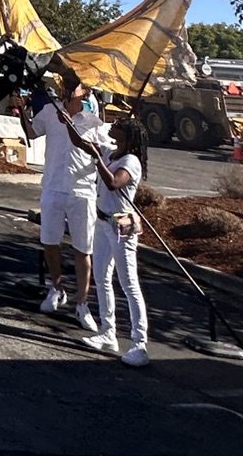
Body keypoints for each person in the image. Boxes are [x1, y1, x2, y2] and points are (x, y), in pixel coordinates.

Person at [27, 66, 102, 333]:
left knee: (83, 249)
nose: (71, 89)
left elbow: (102, 155)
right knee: (49, 241)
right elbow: (32, 132)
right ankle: (57, 288)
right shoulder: (50, 111)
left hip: (82, 191)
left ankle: (82, 303)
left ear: (85, 91)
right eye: (68, 84)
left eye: (77, 85)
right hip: (53, 186)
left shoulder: (94, 121)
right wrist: (22, 106)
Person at [81, 114, 151, 367]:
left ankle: (139, 344)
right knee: (100, 276)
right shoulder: (112, 152)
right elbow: (81, 143)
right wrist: (65, 120)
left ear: (128, 135)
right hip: (102, 222)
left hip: (121, 224)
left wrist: (95, 158)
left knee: (128, 283)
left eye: (119, 126)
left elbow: (113, 183)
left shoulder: (130, 161)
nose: (113, 126)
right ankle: (107, 332)